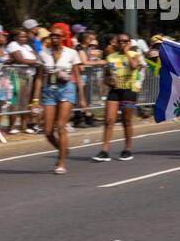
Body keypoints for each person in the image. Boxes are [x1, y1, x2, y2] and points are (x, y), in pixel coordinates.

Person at [38, 29, 84, 174]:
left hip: (66, 89)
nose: (55, 38)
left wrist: (82, 98)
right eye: (53, 35)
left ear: (63, 37)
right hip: (49, 91)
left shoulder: (71, 53)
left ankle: (61, 163)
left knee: (61, 126)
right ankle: (63, 149)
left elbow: (77, 77)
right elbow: (39, 78)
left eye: (58, 35)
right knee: (47, 131)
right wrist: (34, 99)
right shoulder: (43, 53)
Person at [92, 33, 144, 162]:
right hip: (115, 90)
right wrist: (108, 80)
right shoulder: (110, 57)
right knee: (109, 120)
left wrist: (127, 52)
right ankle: (104, 151)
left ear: (129, 43)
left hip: (129, 90)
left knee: (126, 121)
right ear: (116, 43)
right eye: (120, 41)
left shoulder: (134, 55)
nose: (122, 43)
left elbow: (133, 66)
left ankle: (127, 149)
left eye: (125, 41)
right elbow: (105, 77)